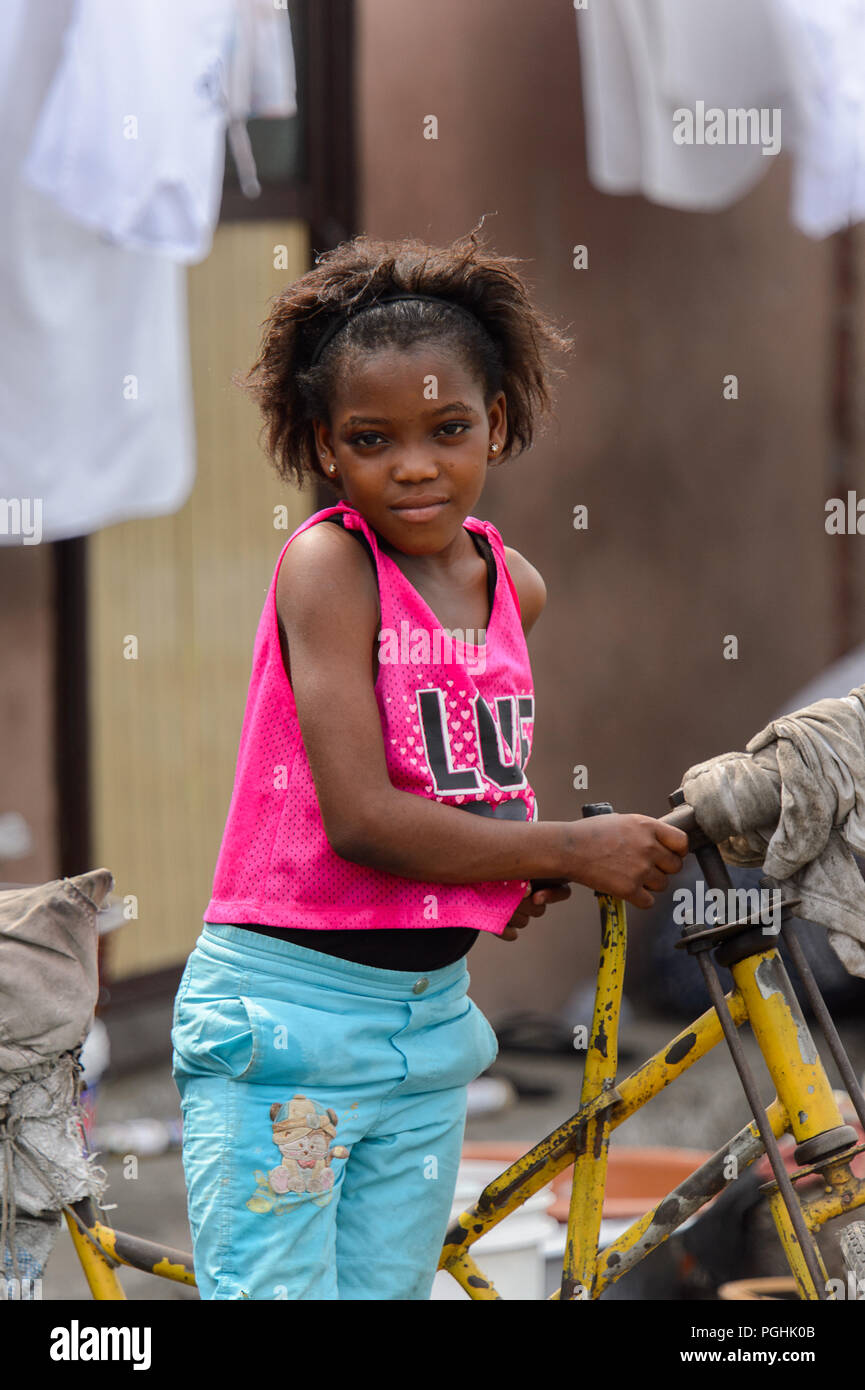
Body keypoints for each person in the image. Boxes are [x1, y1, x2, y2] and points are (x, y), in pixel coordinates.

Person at [170, 225, 688, 1300]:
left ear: (495, 425)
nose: (414, 464)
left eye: (447, 428)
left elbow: (461, 785)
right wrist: (566, 849)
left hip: (430, 1025)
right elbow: (361, 816)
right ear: (324, 444)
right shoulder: (331, 565)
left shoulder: (513, 585)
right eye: (372, 438)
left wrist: (520, 866)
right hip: (289, 1029)